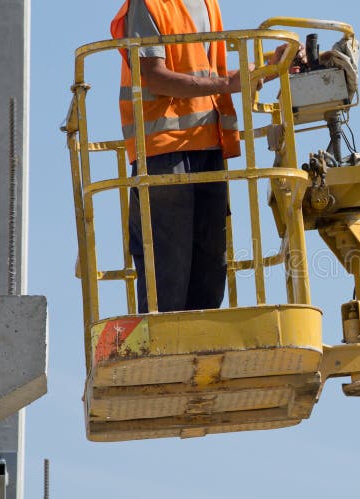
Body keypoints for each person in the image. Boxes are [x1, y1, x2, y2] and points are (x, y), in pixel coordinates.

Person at [111, 0, 249, 313]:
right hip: (163, 151)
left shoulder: (208, 4)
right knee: (167, 277)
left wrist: (270, 67)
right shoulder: (148, 4)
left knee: (209, 272)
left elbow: (212, 75)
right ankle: (159, 340)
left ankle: (202, 339)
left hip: (209, 147)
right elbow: (154, 76)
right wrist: (228, 84)